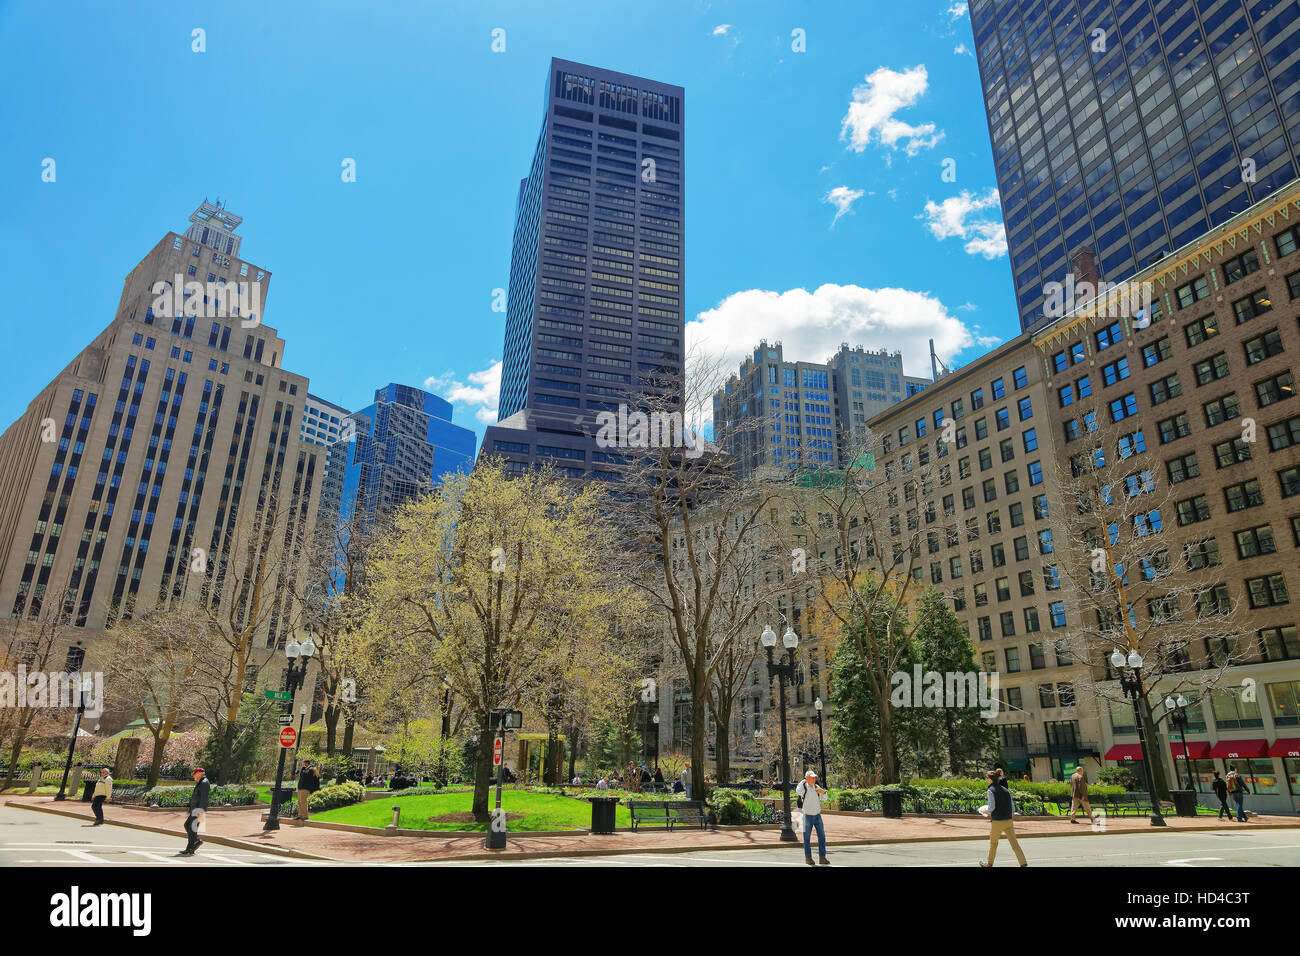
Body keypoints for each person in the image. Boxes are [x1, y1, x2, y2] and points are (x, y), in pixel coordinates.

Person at [979, 770, 1027, 867]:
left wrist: (985, 811)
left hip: (997, 821)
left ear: (990, 779)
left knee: (993, 843)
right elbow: (1012, 807)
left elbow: (992, 807)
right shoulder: (1006, 790)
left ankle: (989, 864)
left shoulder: (990, 790)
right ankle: (1023, 863)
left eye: (987, 778)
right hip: (1008, 820)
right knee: (1014, 844)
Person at [795, 770, 829, 865]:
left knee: (822, 837)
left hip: (817, 816)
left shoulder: (816, 786)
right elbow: (797, 790)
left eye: (814, 777)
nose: (814, 779)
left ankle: (822, 857)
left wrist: (824, 792)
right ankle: (808, 858)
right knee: (806, 839)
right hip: (807, 816)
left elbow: (825, 798)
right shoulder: (803, 788)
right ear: (807, 779)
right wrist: (803, 781)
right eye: (812, 777)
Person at [181, 767, 209, 856]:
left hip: (198, 810)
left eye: (195, 774)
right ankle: (196, 841)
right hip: (195, 809)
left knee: (192, 829)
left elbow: (204, 799)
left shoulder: (204, 783)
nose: (194, 777)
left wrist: (200, 811)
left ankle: (190, 848)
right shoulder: (200, 782)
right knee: (187, 825)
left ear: (200, 773)